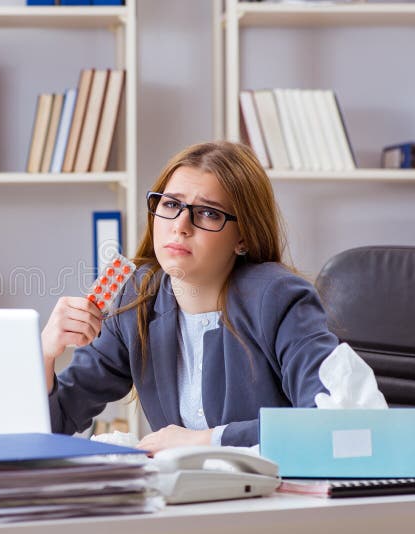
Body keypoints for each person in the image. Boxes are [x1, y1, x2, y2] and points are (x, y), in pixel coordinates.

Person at [41, 141, 338, 453]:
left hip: (273, 483)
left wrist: (206, 440)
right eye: (171, 205)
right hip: (179, 484)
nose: (180, 227)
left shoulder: (280, 298)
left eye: (208, 213)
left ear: (243, 238)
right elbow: (53, 424)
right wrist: (45, 353)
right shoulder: (136, 299)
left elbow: (328, 421)